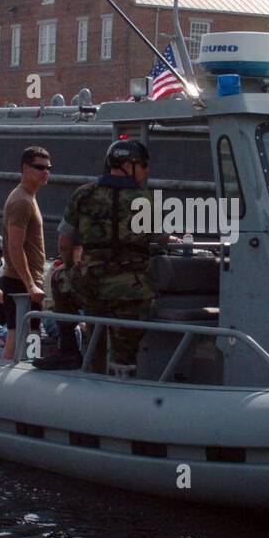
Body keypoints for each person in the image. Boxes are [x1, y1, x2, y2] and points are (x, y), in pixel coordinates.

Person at [51, 139, 170, 377]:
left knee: (59, 279)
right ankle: (123, 378)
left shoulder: (83, 195)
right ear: (130, 164)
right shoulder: (147, 201)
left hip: (91, 285)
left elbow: (64, 243)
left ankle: (70, 350)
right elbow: (162, 238)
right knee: (125, 351)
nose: (146, 172)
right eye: (144, 165)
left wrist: (74, 269)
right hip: (132, 292)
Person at [2, 146, 53, 360]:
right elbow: (15, 246)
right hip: (21, 281)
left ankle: (29, 366)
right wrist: (30, 284)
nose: (45, 172)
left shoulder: (28, 197)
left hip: (28, 279)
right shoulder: (22, 201)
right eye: (39, 167)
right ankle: (12, 377)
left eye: (48, 168)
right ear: (25, 168)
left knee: (31, 333)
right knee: (20, 334)